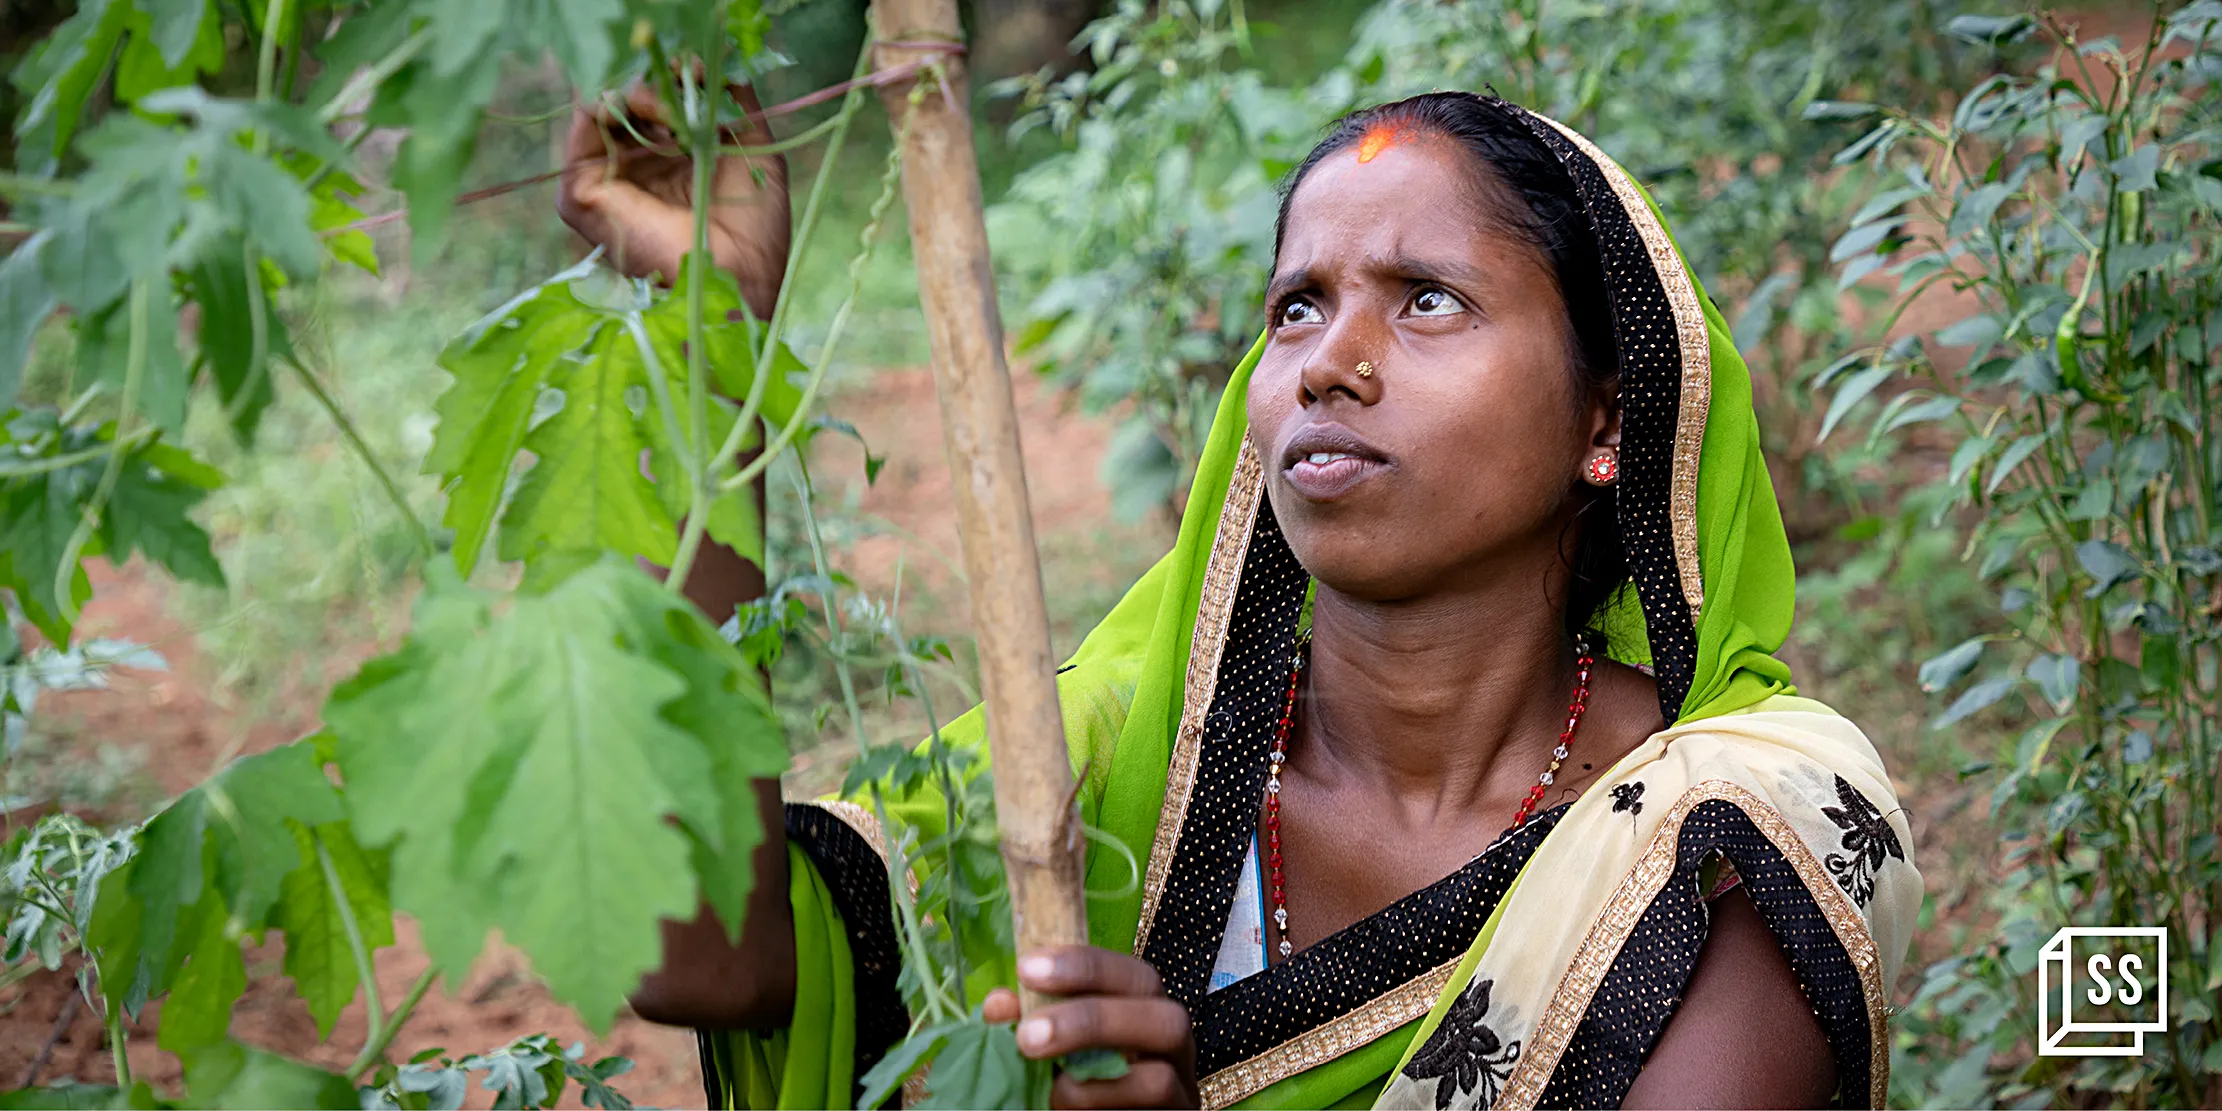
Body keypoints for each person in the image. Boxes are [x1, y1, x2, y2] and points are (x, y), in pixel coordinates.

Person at [557, 87, 1921, 1110]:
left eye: (1428, 300)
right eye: (1296, 307)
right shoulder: (1108, 761)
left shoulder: (1719, 843)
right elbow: (700, 951)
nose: (1330, 360)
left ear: (1603, 418)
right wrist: (703, 337)